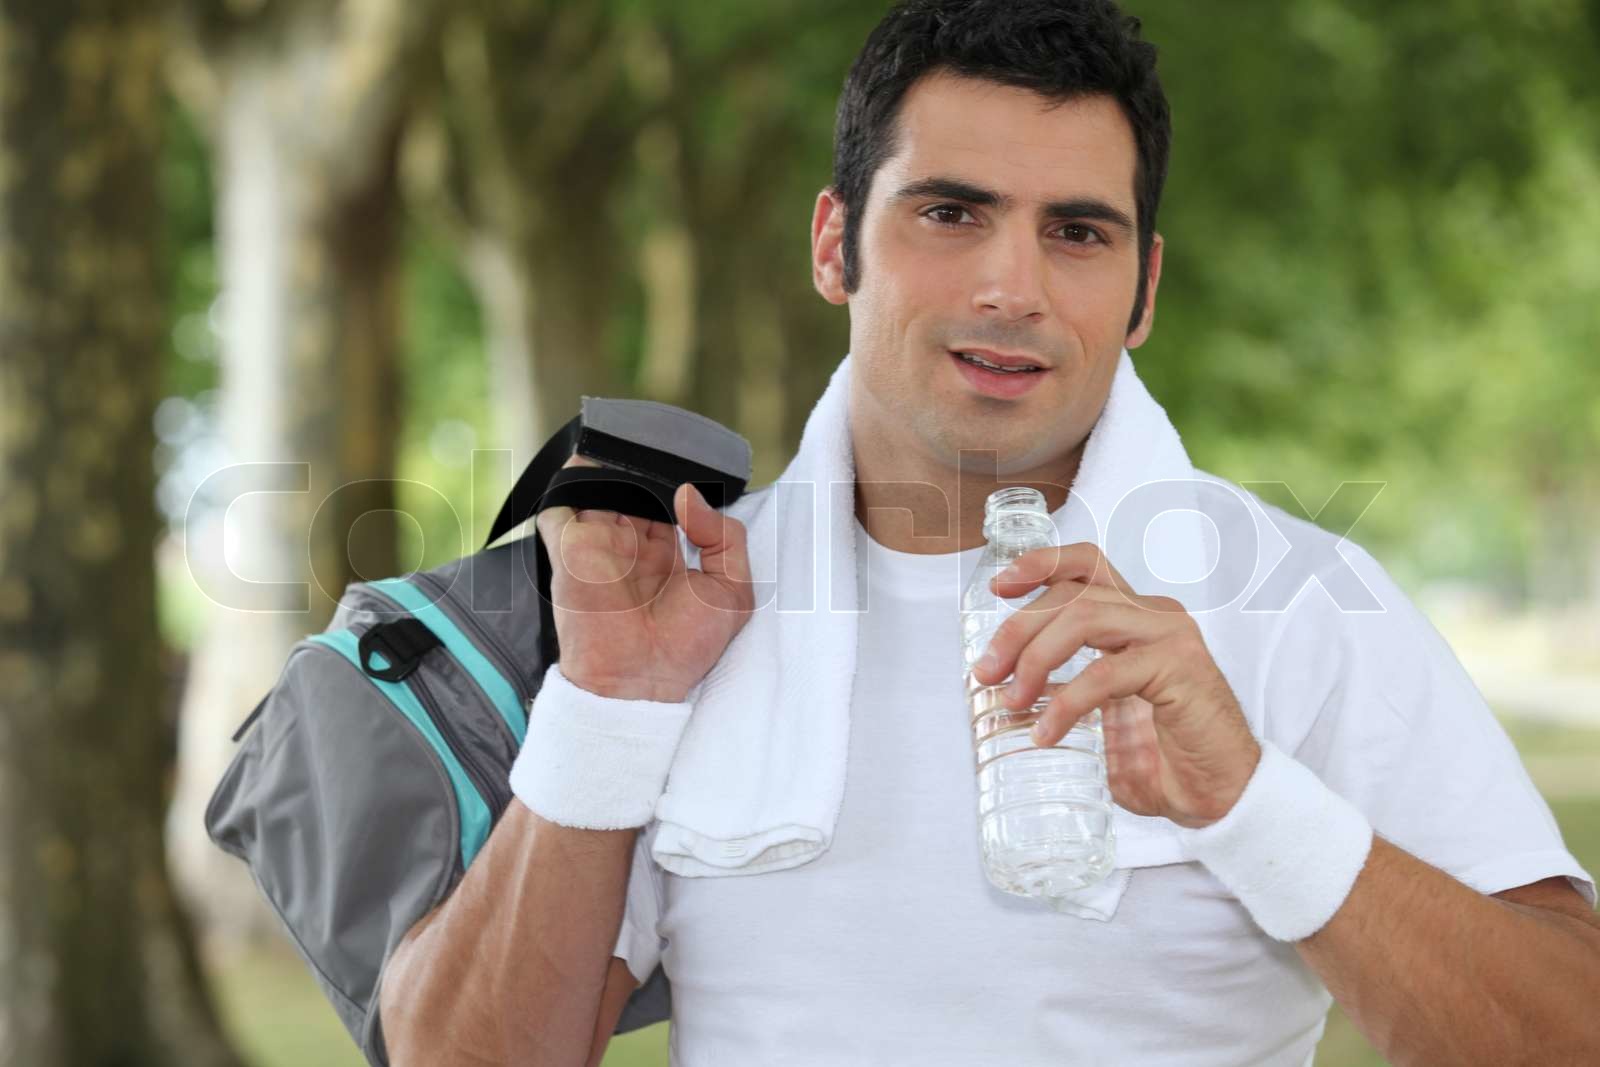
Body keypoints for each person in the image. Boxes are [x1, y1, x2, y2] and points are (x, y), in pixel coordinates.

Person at [377, 2, 1600, 1064]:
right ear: (831, 245)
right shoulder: (675, 609)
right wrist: (610, 707)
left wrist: (1250, 801)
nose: (1011, 285)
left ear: (1145, 290)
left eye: (1077, 231)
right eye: (951, 213)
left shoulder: (1298, 598)